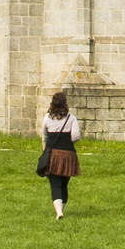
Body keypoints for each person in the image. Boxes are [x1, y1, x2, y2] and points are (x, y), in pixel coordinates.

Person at [40, 91, 80, 219]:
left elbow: (44, 137)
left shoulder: (47, 118)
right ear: (65, 104)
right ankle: (60, 211)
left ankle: (59, 213)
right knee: (63, 184)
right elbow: (75, 136)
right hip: (68, 155)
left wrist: (45, 152)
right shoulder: (71, 118)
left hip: (53, 154)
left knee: (55, 184)